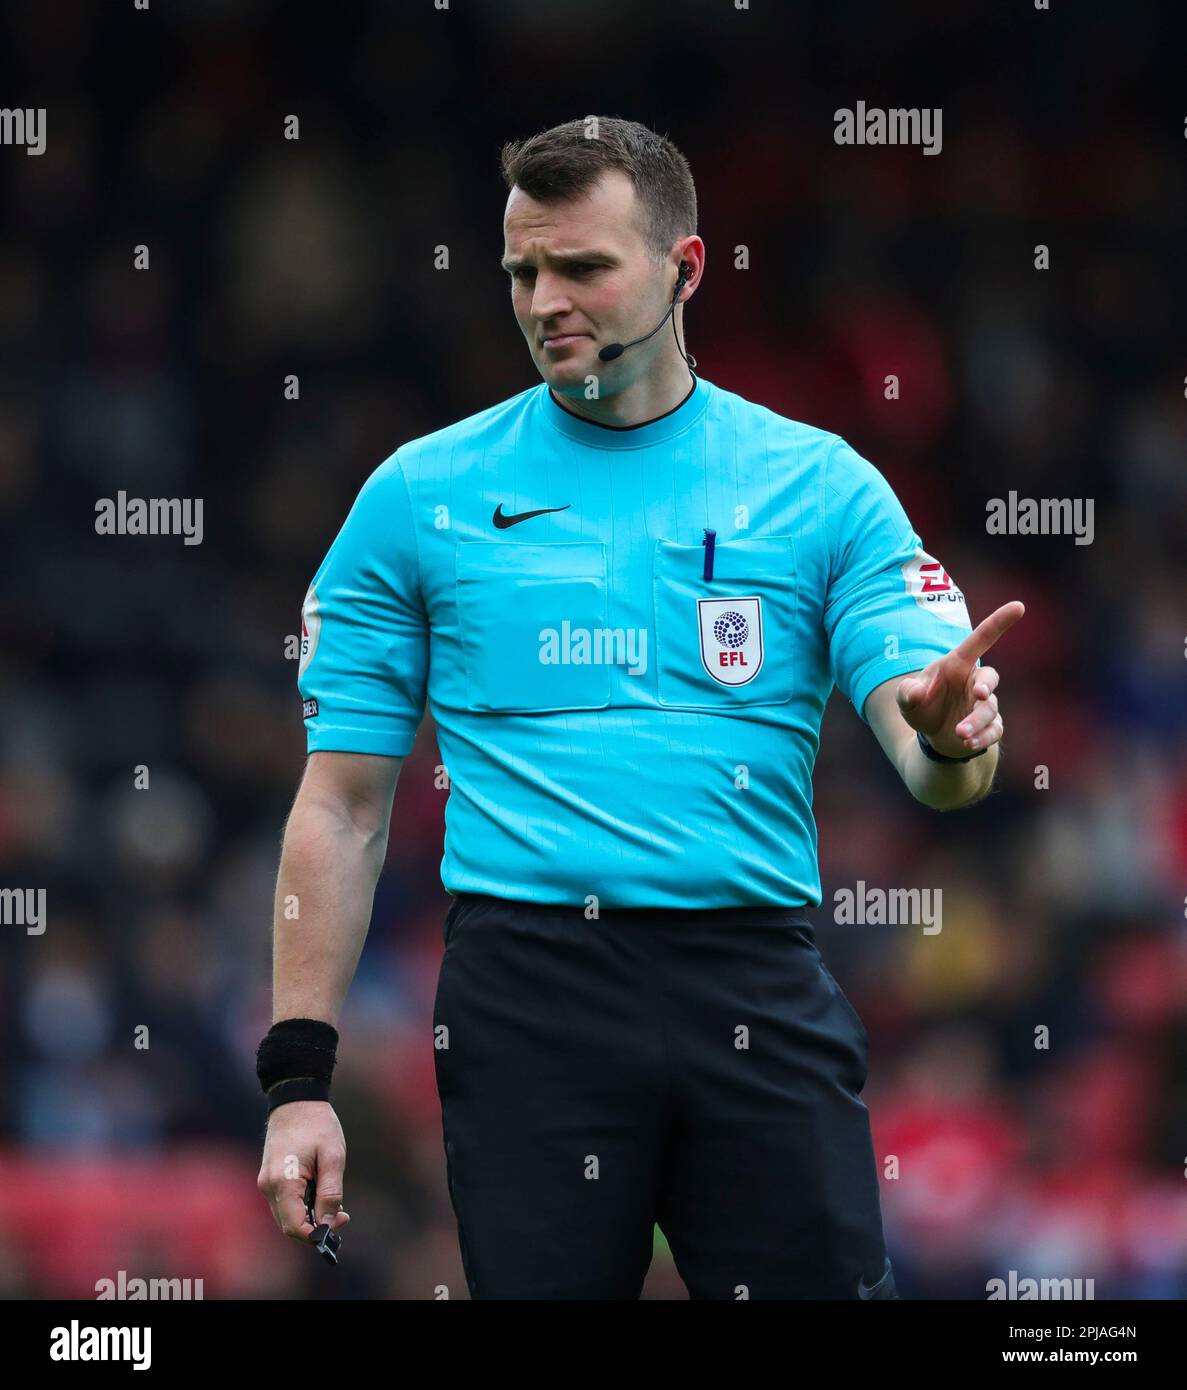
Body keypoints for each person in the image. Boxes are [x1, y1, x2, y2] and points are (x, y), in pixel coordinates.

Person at [256, 115, 1023, 1299]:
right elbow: (342, 807)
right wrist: (299, 1082)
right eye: (521, 271)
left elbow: (935, 757)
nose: (543, 300)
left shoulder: (819, 489)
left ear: (684, 269)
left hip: (752, 981)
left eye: (582, 268)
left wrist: (944, 736)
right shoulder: (417, 498)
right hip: (527, 993)